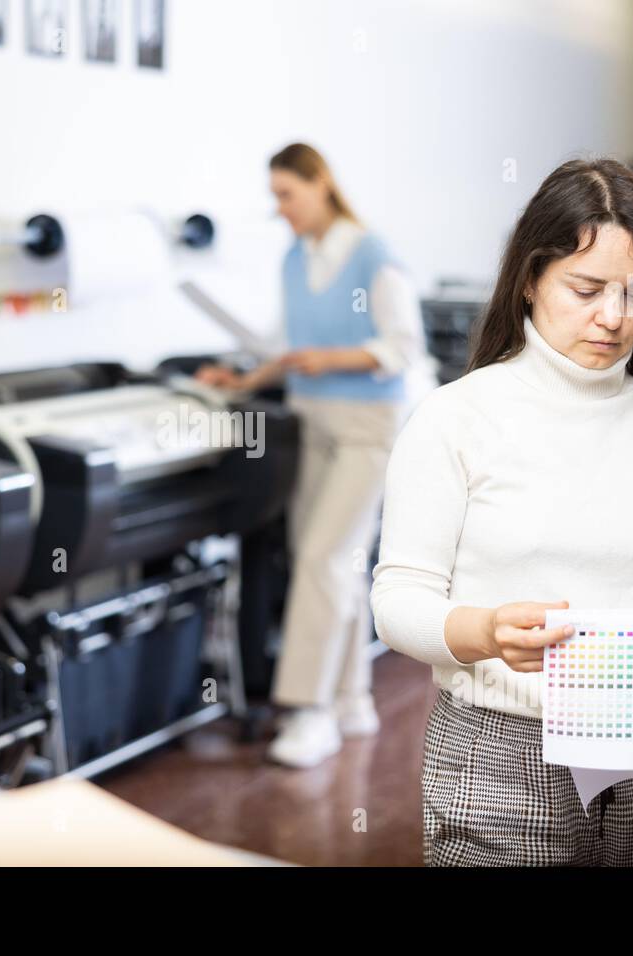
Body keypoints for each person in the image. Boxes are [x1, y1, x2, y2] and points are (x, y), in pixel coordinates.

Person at [370, 158, 633, 866]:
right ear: (532, 278)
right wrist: (484, 631)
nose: (615, 317)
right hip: (507, 750)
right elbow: (397, 602)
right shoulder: (454, 419)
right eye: (587, 289)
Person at [196, 143, 435, 768]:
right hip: (311, 419)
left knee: (324, 559)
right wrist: (243, 379)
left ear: (320, 184)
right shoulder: (293, 259)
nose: (280, 209)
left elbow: (403, 348)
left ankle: (311, 712)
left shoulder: (373, 255)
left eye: (286, 195)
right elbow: (285, 342)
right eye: (274, 197)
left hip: (369, 426)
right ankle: (353, 698)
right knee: (332, 561)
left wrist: (331, 359)